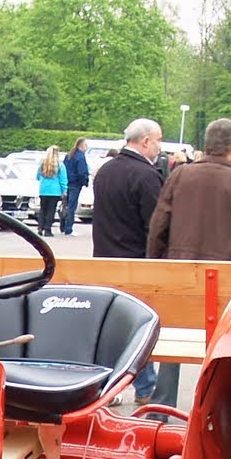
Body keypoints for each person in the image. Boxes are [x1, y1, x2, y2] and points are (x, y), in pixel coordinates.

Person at [92, 119, 172, 402]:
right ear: (146, 141)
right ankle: (145, 388)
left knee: (111, 325)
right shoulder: (147, 176)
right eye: (159, 140)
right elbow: (156, 226)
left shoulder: (104, 171)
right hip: (136, 261)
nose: (160, 147)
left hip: (103, 257)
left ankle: (109, 386)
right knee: (141, 326)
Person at [147, 118, 231, 263]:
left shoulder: (180, 175)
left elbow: (159, 226)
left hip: (179, 267)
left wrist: (155, 262)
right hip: (225, 271)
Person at [60, 139, 90, 235]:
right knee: (72, 206)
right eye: (86, 144)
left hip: (67, 182)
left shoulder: (69, 155)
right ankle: (69, 228)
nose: (87, 147)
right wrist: (85, 181)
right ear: (81, 145)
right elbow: (82, 172)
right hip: (75, 184)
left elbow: (64, 169)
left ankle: (63, 226)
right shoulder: (80, 157)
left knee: (65, 205)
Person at [36, 147, 66, 237]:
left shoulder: (42, 163)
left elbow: (37, 176)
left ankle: (40, 227)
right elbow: (63, 179)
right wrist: (64, 190)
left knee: (42, 209)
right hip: (55, 191)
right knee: (51, 211)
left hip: (43, 190)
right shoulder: (60, 165)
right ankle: (47, 229)